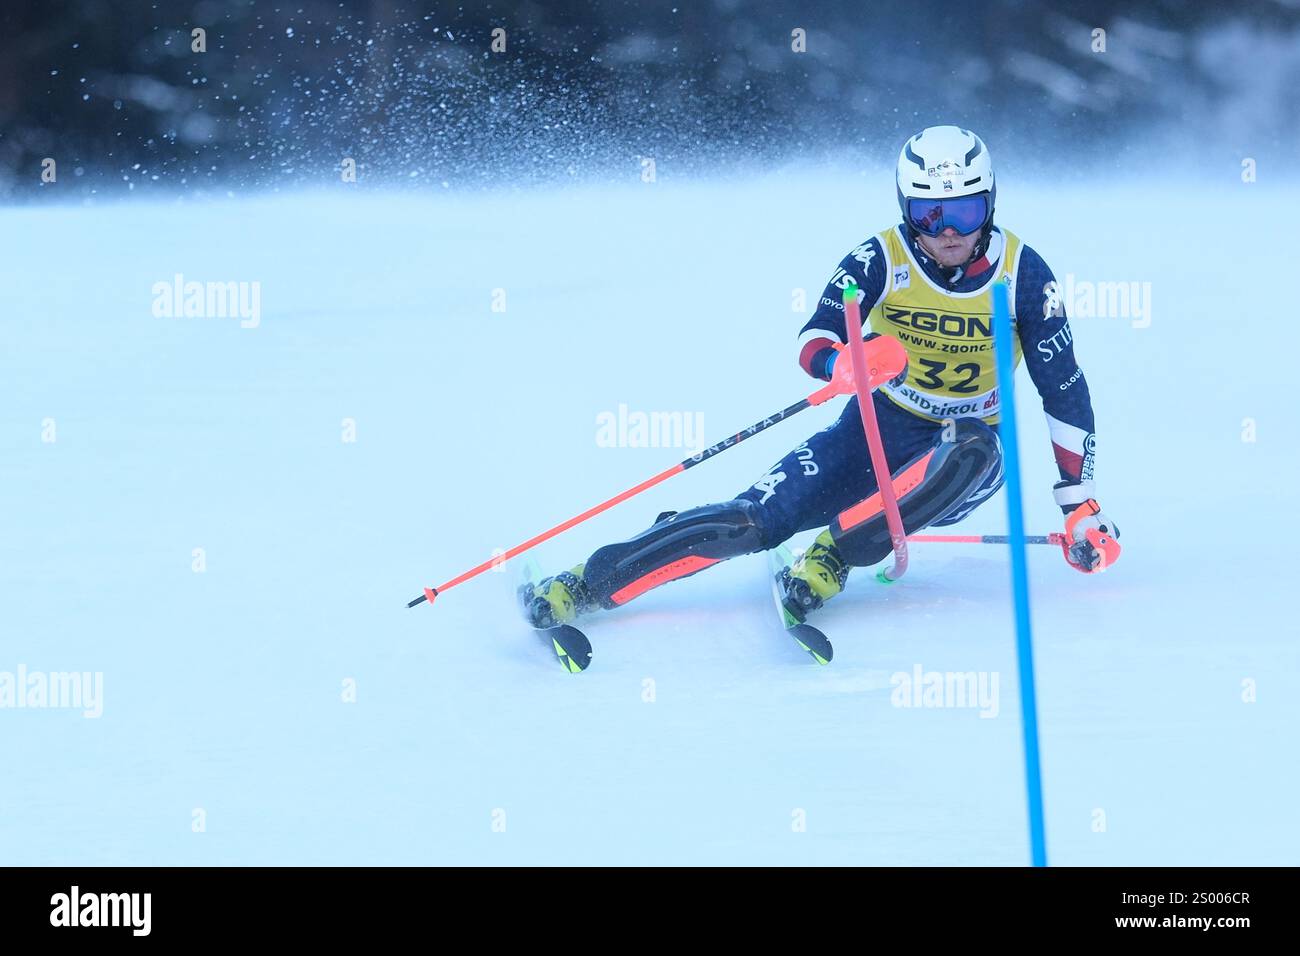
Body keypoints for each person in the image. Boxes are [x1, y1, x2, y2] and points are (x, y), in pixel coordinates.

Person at [521, 125, 1120, 629]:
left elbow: (1062, 386)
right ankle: (586, 583)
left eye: (964, 210)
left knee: (971, 445)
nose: (948, 231)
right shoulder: (879, 258)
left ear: (990, 202)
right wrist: (844, 363)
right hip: (872, 430)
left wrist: (1078, 501)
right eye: (928, 212)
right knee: (752, 520)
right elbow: (815, 338)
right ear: (904, 208)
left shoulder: (1024, 274)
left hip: (962, 462)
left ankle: (832, 556)